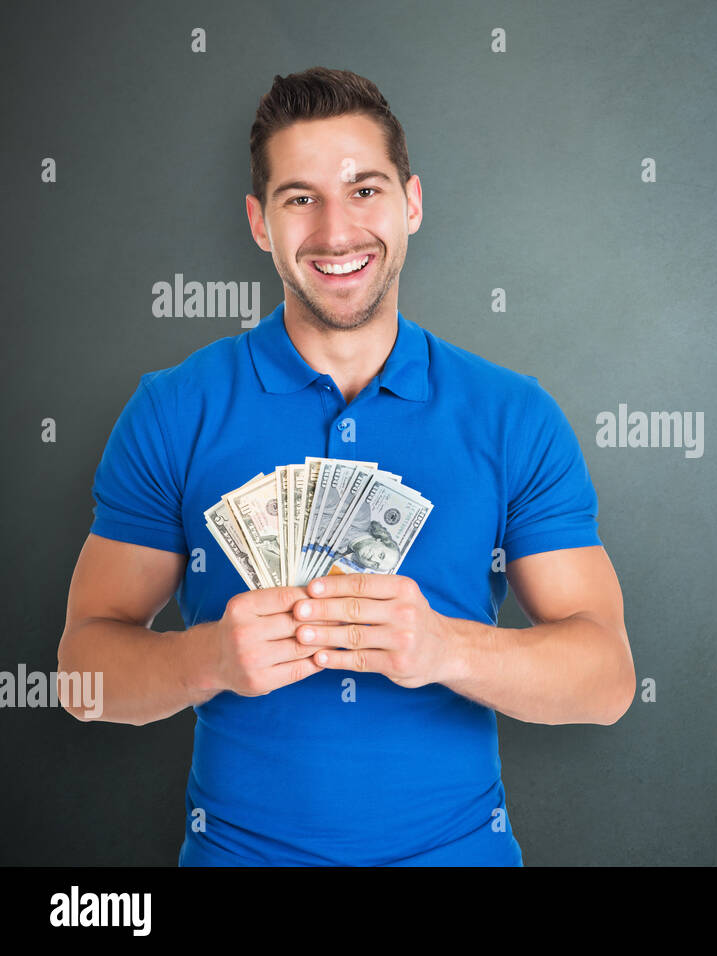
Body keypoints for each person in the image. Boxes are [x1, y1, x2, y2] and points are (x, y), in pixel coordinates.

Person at [57, 66, 635, 866]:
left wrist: (445, 649)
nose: (335, 231)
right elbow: (83, 677)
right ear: (260, 223)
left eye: (365, 190)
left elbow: (607, 681)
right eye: (301, 198)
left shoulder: (513, 415)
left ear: (413, 204)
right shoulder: (173, 409)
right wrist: (209, 659)